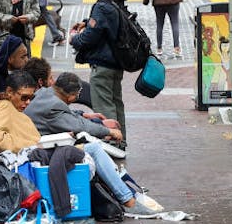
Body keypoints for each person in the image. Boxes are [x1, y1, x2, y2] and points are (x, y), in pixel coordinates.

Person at [22, 72, 162, 216]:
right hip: (41, 150)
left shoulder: (46, 93)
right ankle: (127, 199)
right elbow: (79, 126)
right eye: (77, 95)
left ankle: (124, 191)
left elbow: (69, 115)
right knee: (94, 149)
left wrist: (84, 115)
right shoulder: (55, 105)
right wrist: (108, 131)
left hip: (39, 144)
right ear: (71, 96)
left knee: (91, 146)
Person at [70, 0, 128, 148]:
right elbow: (106, 27)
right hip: (116, 63)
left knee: (104, 105)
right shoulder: (115, 3)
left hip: (102, 64)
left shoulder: (101, 7)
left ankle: (112, 142)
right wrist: (87, 23)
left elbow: (91, 36)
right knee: (116, 103)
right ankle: (121, 139)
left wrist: (74, 39)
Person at [0, 70, 42, 153]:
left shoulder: (11, 107)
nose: (28, 102)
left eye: (31, 98)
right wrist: (34, 146)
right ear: (10, 92)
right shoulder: (4, 105)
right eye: (24, 97)